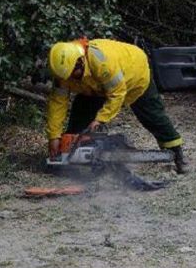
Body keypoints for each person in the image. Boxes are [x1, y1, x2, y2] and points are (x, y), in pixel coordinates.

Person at [45, 38, 188, 174]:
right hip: (95, 87)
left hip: (135, 74)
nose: (68, 80)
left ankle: (176, 153)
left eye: (72, 75)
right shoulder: (63, 73)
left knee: (152, 115)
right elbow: (57, 103)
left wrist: (100, 119)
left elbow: (117, 93)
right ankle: (68, 156)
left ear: (80, 61)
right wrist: (54, 137)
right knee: (80, 113)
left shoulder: (102, 61)